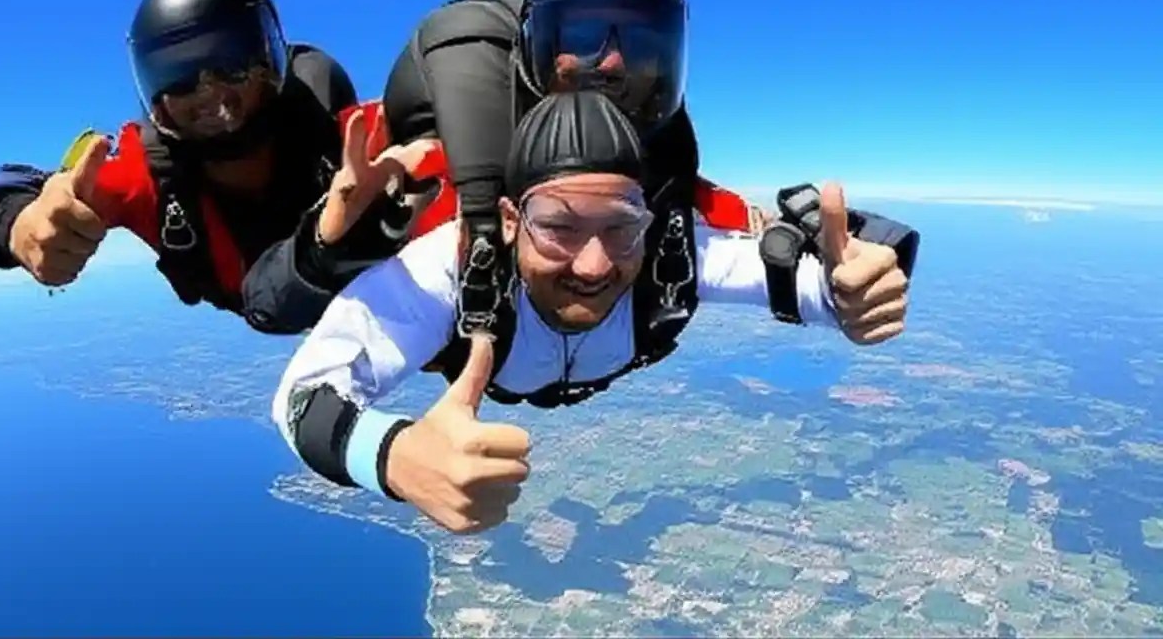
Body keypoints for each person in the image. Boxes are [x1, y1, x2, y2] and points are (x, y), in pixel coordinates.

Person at [271, 91, 915, 535]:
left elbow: (825, 287)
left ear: (647, 220)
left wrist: (854, 297)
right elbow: (302, 396)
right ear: (510, 220)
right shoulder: (453, 267)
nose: (593, 263)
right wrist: (391, 455)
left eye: (619, 226)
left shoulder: (668, 255)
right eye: (559, 226)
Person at [380, 0, 916, 342]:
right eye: (585, 35)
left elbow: (779, 256)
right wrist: (346, 230)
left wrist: (850, 291)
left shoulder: (668, 214)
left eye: (639, 44)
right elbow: (339, 327)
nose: (613, 62)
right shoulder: (444, 182)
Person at [0, 0, 435, 335]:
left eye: (231, 62)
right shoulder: (151, 175)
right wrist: (20, 224)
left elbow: (429, 140)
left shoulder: (342, 134)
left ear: (270, 58)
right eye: (177, 75)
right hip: (253, 295)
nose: (208, 92)